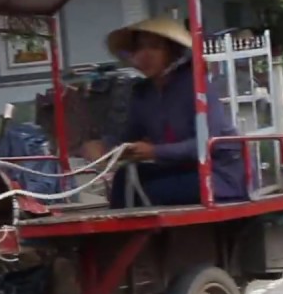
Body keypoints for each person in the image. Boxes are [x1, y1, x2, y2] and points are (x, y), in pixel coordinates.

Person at [80, 15, 246, 207]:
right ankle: (116, 236)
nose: (145, 54)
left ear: (173, 53)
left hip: (216, 174)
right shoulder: (142, 93)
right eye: (139, 48)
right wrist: (104, 146)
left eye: (154, 47)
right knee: (124, 179)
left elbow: (206, 143)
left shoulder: (196, 85)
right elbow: (128, 137)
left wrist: (155, 151)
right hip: (178, 170)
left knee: (153, 192)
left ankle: (146, 236)